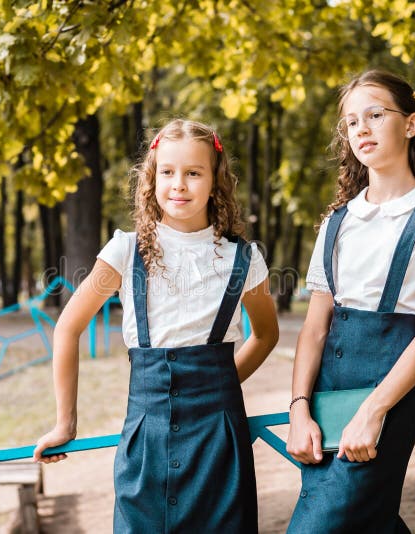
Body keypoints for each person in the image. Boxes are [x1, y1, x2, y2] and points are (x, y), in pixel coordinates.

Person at [33, 118, 279, 533]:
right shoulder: (125, 251)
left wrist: (219, 384)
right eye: (167, 172)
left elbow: (266, 334)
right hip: (146, 439)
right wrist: (65, 423)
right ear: (152, 178)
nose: (178, 184)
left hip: (219, 442)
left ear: (216, 181)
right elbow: (68, 328)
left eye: (193, 173)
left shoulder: (243, 258)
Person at [285, 70, 415, 533]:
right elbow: (314, 329)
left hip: (387, 404)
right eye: (350, 122)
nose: (360, 128)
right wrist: (299, 408)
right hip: (324, 405)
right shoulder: (337, 222)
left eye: (375, 115)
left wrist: (373, 412)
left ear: (410, 124)